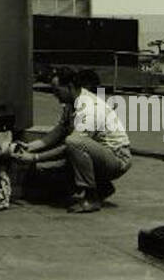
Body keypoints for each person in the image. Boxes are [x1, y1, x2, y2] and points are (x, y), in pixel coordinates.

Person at [13, 66, 131, 213]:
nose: (55, 95)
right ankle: (102, 187)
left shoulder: (89, 108)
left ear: (69, 87)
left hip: (117, 158)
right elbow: (57, 132)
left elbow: (70, 146)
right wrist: (30, 146)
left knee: (73, 142)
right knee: (49, 187)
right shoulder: (71, 104)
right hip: (100, 154)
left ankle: (91, 198)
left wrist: (34, 158)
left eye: (57, 90)